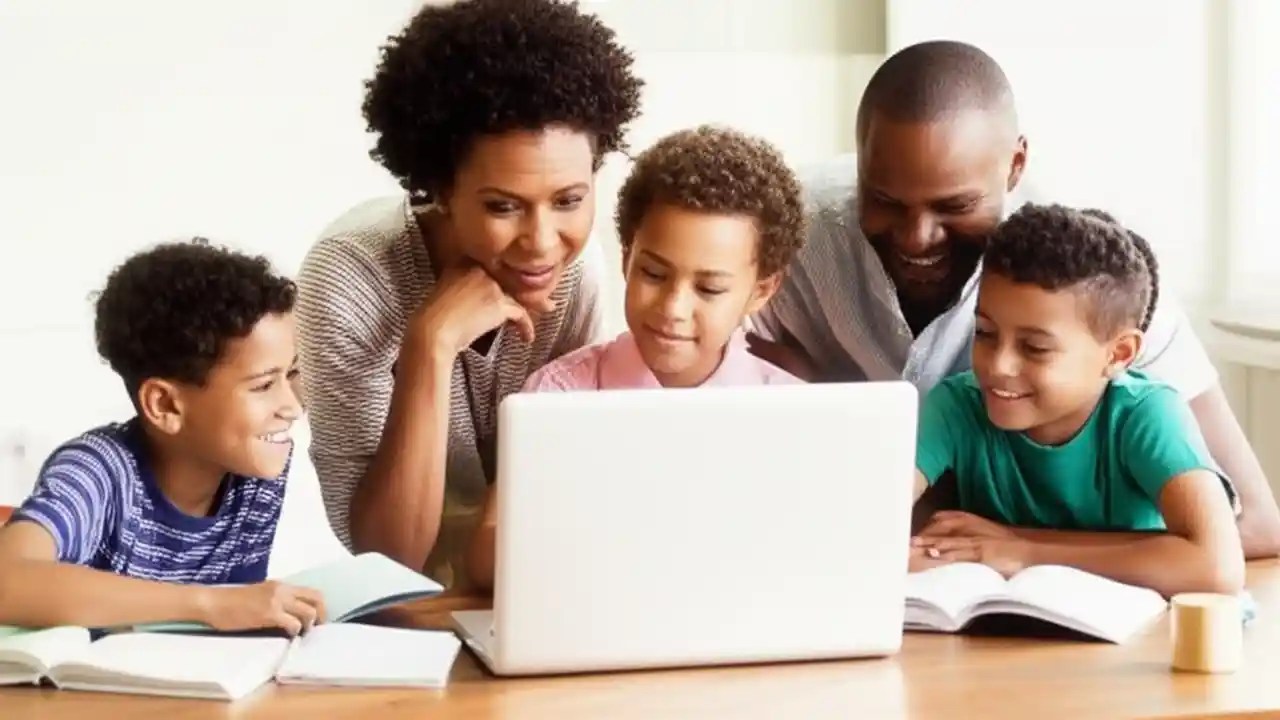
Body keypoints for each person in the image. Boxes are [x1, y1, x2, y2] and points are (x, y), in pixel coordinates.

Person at [748, 40, 1280, 558]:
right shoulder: (792, 232)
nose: (916, 238)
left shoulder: (1091, 275)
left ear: (1015, 164)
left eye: (954, 205)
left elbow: (1255, 525)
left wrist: (1027, 548)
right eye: (884, 200)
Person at [294, 0, 644, 590]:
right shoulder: (349, 278)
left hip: (532, 590)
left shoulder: (577, 272)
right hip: (408, 613)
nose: (541, 244)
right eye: (502, 206)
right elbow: (387, 558)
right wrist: (429, 346)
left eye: (568, 200)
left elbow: (560, 496)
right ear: (440, 189)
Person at [466, 126, 808, 588]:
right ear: (627, 258)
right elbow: (486, 564)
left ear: (761, 291)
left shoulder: (795, 413)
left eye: (709, 288)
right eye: (652, 273)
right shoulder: (560, 397)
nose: (672, 308)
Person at [906, 204, 1244, 597]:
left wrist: (1025, 550)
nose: (998, 365)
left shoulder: (1147, 415)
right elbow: (871, 519)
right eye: (984, 333)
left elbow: (1217, 567)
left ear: (1118, 355)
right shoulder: (956, 406)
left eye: (1034, 348)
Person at [0, 241, 324, 634]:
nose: (291, 406)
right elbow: (7, 582)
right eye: (262, 386)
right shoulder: (98, 470)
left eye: (291, 374)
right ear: (165, 405)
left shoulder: (252, 473)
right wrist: (210, 604)